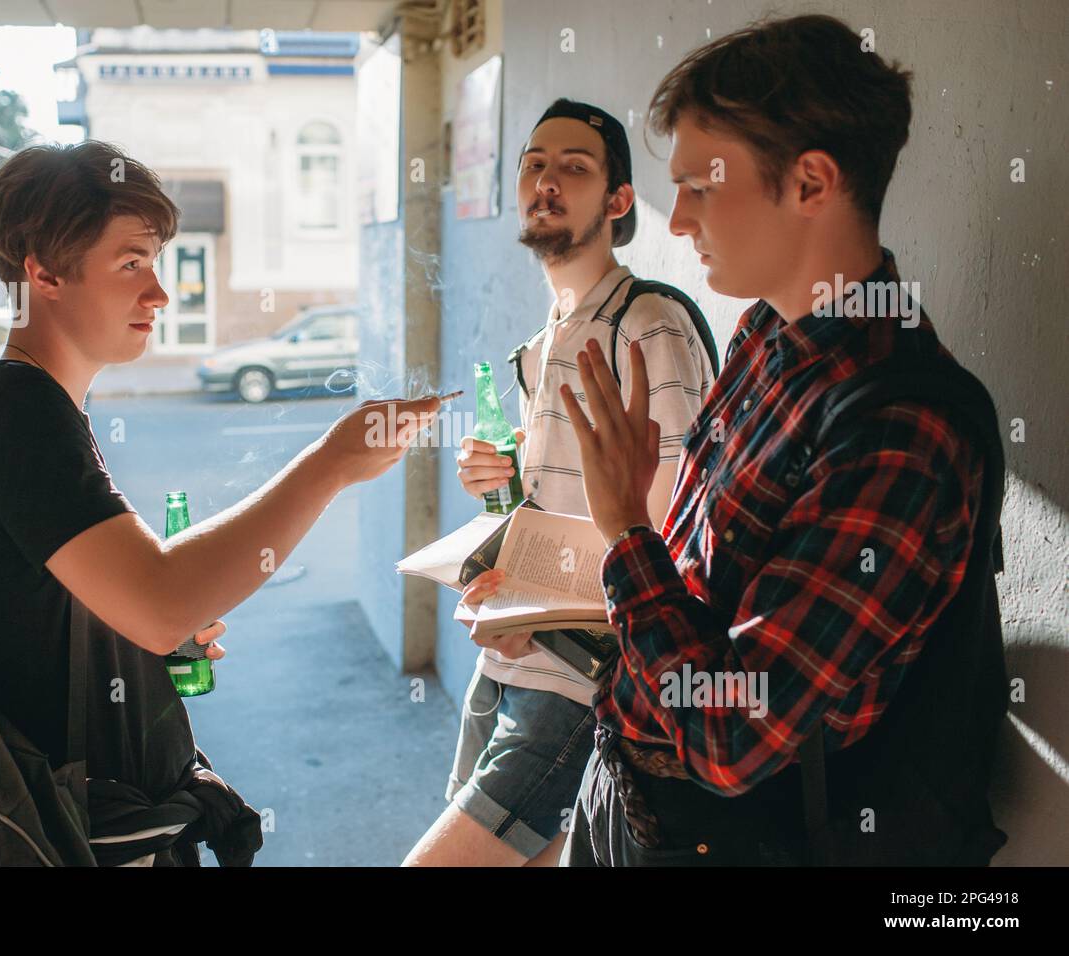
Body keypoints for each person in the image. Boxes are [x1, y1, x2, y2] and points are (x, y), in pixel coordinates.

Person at [554, 15, 1005, 866]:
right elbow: (702, 587)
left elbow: (732, 736)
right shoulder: (768, 329)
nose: (678, 220)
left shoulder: (901, 429)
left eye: (700, 185)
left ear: (810, 183)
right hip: (631, 787)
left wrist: (622, 529)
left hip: (728, 840)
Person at [0, 140, 438, 864]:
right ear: (44, 274)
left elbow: (97, 615)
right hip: (68, 833)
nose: (159, 294)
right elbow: (163, 599)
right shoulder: (16, 410)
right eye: (131, 262)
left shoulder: (34, 407)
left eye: (156, 263)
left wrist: (136, 652)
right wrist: (331, 464)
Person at [404, 100, 714, 866]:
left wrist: (535, 603)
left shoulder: (647, 324)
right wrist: (506, 488)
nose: (547, 180)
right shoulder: (543, 343)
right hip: (510, 657)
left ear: (617, 202)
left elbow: (678, 531)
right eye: (534, 164)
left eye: (574, 166)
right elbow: (571, 506)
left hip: (581, 676)